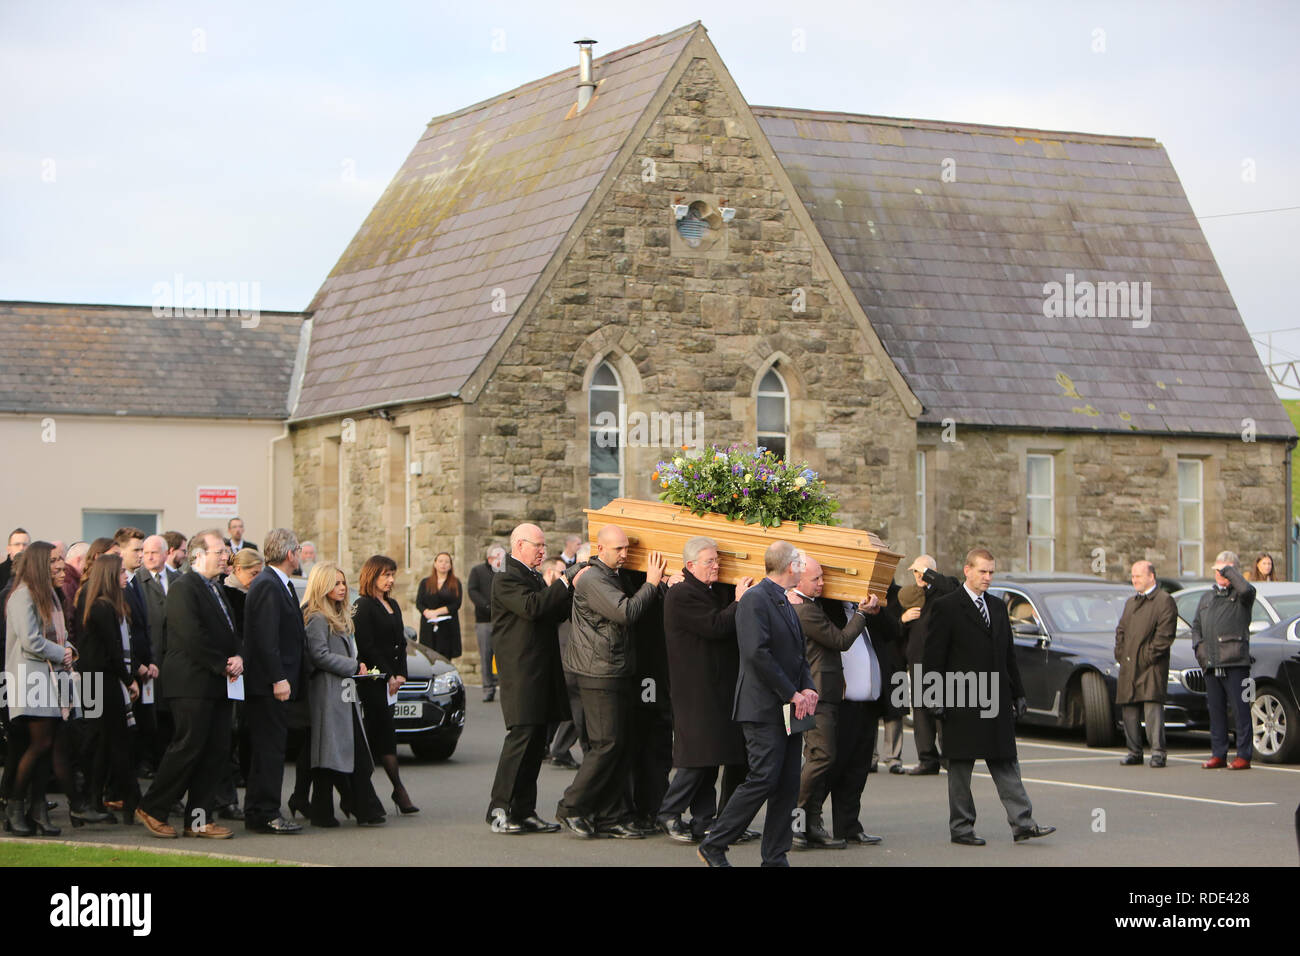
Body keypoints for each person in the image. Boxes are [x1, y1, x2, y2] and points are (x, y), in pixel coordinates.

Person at [697, 541, 817, 868]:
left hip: (789, 708)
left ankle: (775, 857)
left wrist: (807, 688)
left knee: (788, 782)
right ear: (790, 566)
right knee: (764, 776)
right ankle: (716, 842)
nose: (805, 569)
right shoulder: (755, 600)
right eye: (801, 563)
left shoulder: (785, 602)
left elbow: (797, 655)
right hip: (762, 708)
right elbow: (756, 654)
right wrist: (792, 692)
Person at [924, 547, 1054, 846]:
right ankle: (961, 827)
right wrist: (934, 697)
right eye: (983, 571)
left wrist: (1018, 693)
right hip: (961, 698)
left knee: (1006, 761)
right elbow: (933, 658)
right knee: (960, 766)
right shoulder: (947, 607)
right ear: (967, 570)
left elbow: (1008, 656)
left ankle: (1023, 823)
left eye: (991, 572)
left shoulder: (996, 606)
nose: (988, 577)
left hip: (995, 700)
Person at [555, 525, 665, 838]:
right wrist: (653, 583)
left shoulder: (608, 574)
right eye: (618, 549)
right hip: (597, 672)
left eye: (627, 548)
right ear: (600, 549)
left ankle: (611, 815)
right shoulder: (593, 577)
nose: (625, 554)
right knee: (607, 745)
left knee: (619, 746)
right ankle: (571, 807)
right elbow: (626, 612)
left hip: (614, 669)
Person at [136, 529, 242, 839]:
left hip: (218, 682)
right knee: (188, 747)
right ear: (198, 555)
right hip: (191, 684)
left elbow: (231, 631)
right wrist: (223, 664)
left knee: (215, 750)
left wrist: (239, 656)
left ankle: (199, 820)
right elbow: (191, 635)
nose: (225, 557)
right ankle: (153, 807)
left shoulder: (217, 589)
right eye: (219, 552)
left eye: (225, 552)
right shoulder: (185, 588)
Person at [658, 536, 752, 843]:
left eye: (717, 560)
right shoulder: (682, 594)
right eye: (710, 561)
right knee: (696, 757)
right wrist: (739, 600)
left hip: (714, 687)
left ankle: (703, 820)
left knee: (710, 756)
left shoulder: (707, 590)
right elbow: (715, 626)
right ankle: (669, 812)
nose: (717, 565)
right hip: (695, 689)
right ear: (690, 565)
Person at [789, 557, 883, 848]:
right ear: (798, 579)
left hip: (827, 693)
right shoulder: (804, 610)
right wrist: (863, 614)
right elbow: (840, 640)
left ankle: (811, 825)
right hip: (817, 694)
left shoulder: (812, 604)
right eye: (816, 579)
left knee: (823, 759)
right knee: (821, 758)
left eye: (822, 578)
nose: (822, 583)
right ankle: (794, 822)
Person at [486, 523, 573, 833]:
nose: (542, 551)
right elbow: (533, 608)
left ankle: (525, 810)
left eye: (544, 545)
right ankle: (500, 809)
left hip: (541, 671)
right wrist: (563, 584)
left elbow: (553, 613)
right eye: (537, 545)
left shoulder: (532, 576)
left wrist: (566, 592)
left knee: (536, 744)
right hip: (521, 673)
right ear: (519, 545)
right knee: (520, 740)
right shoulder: (506, 578)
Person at [3, 541, 91, 836]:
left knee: (47, 748)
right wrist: (60, 652)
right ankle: (14, 807)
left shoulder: (50, 596)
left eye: (62, 559)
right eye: (54, 560)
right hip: (31, 680)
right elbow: (30, 641)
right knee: (39, 745)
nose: (60, 566)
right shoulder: (22, 596)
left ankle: (38, 810)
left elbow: (61, 635)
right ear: (40, 564)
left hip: (52, 680)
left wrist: (68, 650)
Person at [303, 563, 386, 828]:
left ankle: (348, 807)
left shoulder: (341, 615)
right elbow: (318, 655)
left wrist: (356, 665)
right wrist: (352, 666)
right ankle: (341, 809)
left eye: (342, 583)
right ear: (323, 585)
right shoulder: (316, 617)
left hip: (346, 693)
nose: (341, 588)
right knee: (331, 753)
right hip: (327, 692)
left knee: (347, 751)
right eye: (336, 583)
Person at [241, 528, 306, 833]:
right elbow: (266, 639)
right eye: (298, 550)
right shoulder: (268, 584)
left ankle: (259, 809)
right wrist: (278, 678)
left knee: (270, 748)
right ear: (290, 553)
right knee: (270, 750)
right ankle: (265, 812)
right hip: (269, 686)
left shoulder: (280, 584)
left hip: (275, 683)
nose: (300, 555)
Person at [75, 553, 139, 825]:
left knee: (102, 745)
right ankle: (132, 801)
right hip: (101, 682)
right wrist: (128, 679)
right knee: (114, 744)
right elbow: (113, 652)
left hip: (97, 681)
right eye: (122, 572)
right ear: (111, 576)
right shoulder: (103, 608)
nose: (126, 575)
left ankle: (94, 800)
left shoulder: (103, 605)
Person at [353, 554, 418, 814]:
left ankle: (395, 790)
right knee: (378, 733)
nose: (391, 580)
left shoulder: (393, 605)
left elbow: (400, 643)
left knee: (385, 733)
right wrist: (388, 674)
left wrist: (400, 673)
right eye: (386, 575)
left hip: (390, 680)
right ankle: (387, 790)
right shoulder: (364, 605)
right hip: (373, 680)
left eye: (392, 575)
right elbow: (367, 646)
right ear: (372, 576)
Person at [1191, 551, 1256, 770]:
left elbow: (1247, 589)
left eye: (1225, 570)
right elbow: (1196, 627)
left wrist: (1231, 572)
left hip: (1236, 662)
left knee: (1241, 709)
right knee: (1216, 711)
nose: (1219, 574)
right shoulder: (1207, 598)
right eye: (1217, 570)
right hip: (1211, 663)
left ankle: (1244, 754)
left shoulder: (1242, 596)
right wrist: (1200, 651)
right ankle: (1218, 753)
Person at [1114, 560, 1178, 768]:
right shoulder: (1131, 603)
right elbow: (1121, 630)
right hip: (1129, 663)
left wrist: (1147, 657)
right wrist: (1121, 654)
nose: (1134, 580)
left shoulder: (1164, 601)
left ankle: (1158, 752)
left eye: (1138, 576)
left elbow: (1165, 635)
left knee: (1152, 709)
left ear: (1151, 576)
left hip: (1151, 666)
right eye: (1132, 576)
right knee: (1129, 709)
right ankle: (1134, 751)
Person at [900, 554, 960, 774]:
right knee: (921, 713)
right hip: (917, 662)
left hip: (940, 664)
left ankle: (950, 757)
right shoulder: (912, 596)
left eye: (922, 572)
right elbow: (900, 631)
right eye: (915, 572)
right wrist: (903, 620)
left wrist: (929, 574)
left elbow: (953, 588)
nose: (918, 576)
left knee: (941, 711)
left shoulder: (945, 589)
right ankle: (927, 759)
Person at [543, 556, 583, 768]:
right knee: (576, 707)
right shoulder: (553, 594)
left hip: (564, 656)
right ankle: (557, 748)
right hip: (564, 656)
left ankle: (555, 748)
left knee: (569, 708)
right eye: (560, 573)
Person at [416, 552, 463, 660]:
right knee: (428, 657)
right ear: (435, 564)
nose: (443, 564)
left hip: (447, 626)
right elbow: (419, 603)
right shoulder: (425, 582)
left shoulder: (455, 583)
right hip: (428, 624)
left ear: (450, 565)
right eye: (440, 561)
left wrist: (437, 612)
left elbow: (456, 604)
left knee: (444, 658)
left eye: (447, 562)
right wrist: (427, 613)